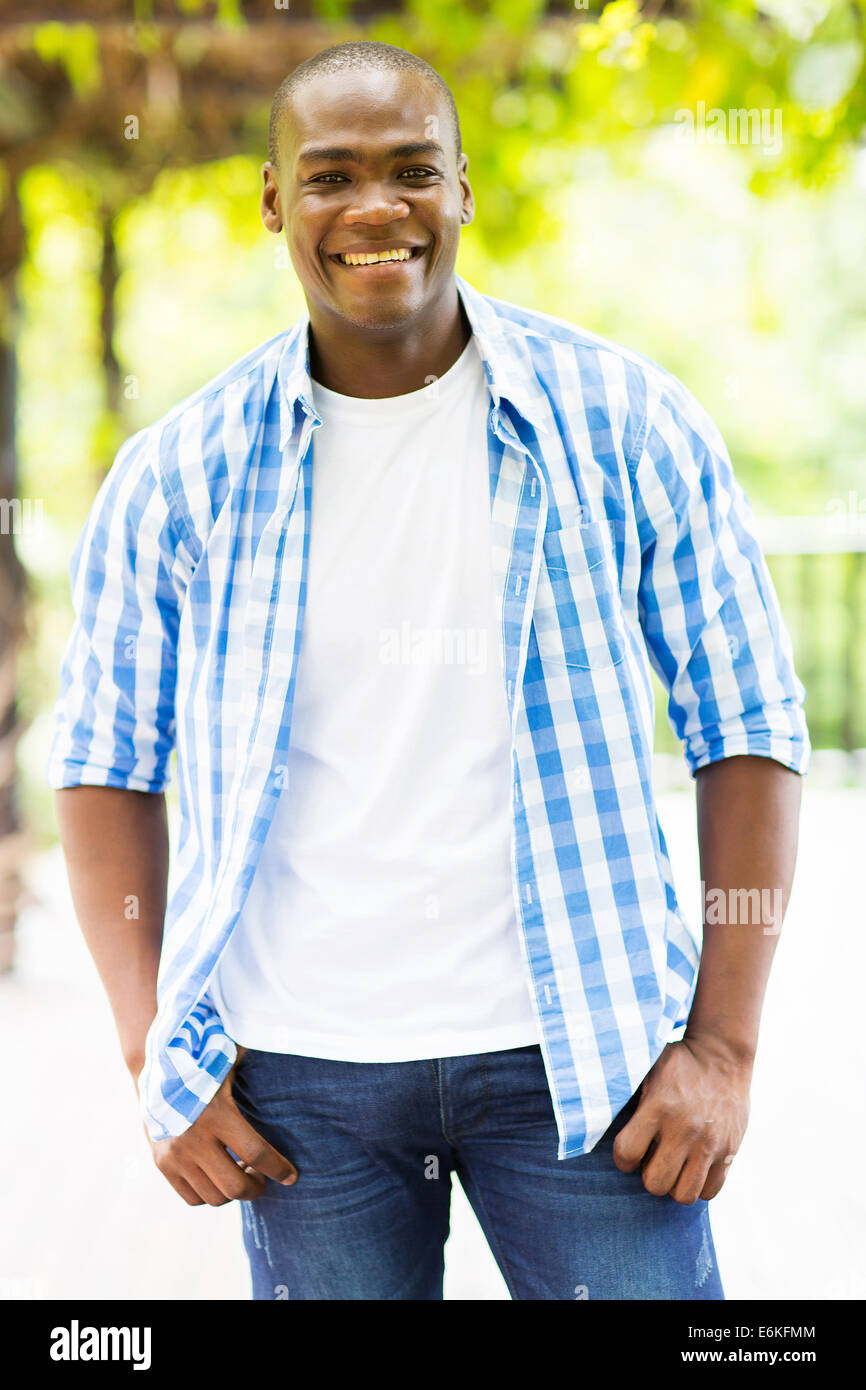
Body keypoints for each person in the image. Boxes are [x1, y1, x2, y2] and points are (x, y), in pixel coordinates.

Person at [48, 40, 809, 1301]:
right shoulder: (179, 473)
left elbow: (747, 724)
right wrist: (150, 1056)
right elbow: (102, 765)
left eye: (412, 171)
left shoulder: (625, 423)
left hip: (587, 1068)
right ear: (275, 202)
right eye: (332, 176)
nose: (375, 209)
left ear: (460, 190)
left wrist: (722, 1045)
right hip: (301, 1089)